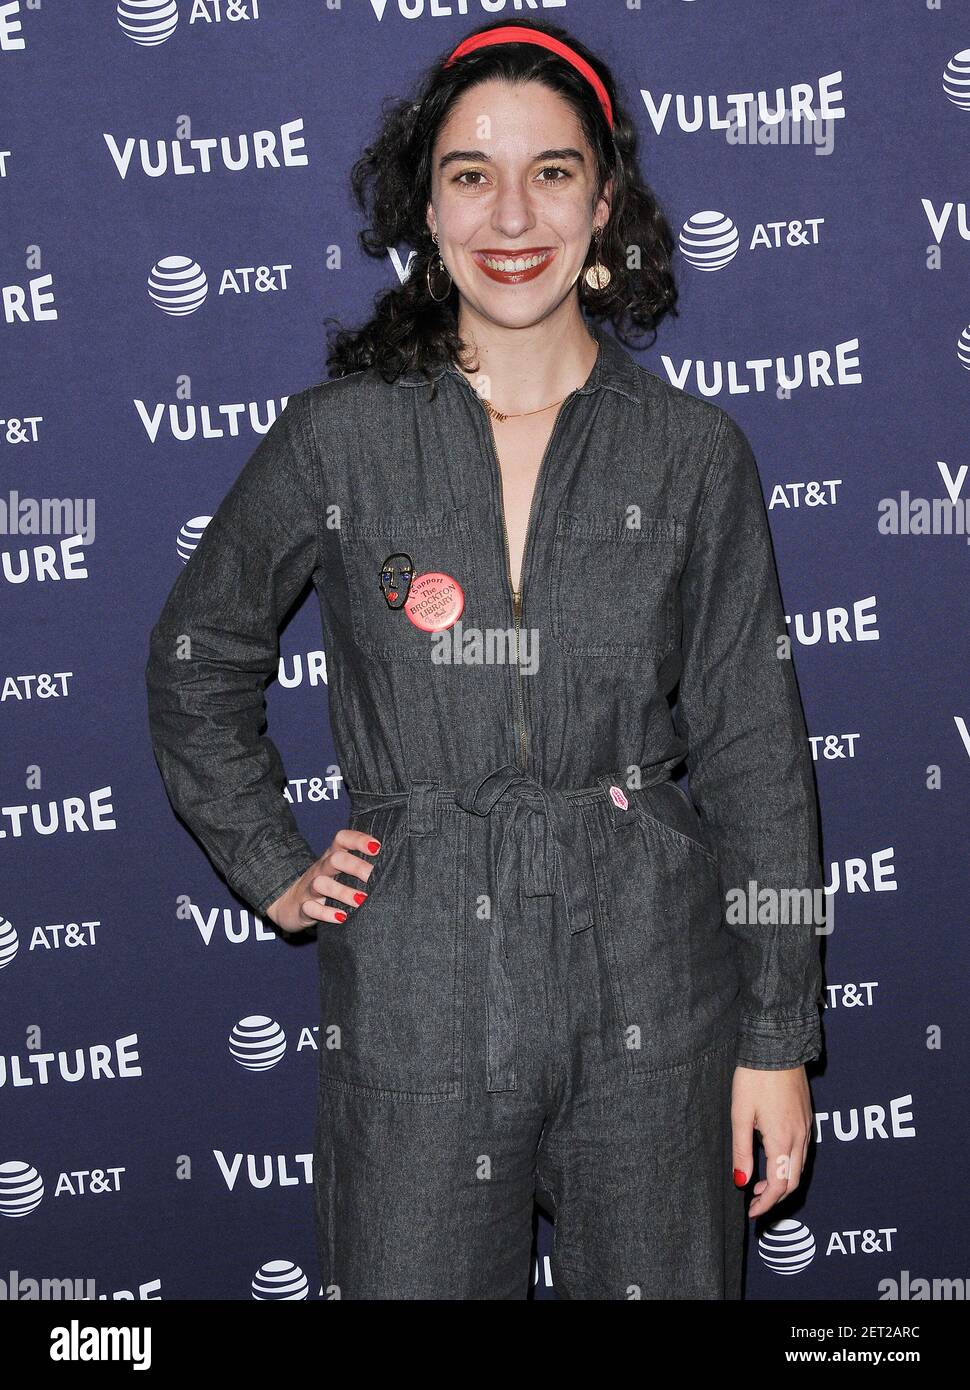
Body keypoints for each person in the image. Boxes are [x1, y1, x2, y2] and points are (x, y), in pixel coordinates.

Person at [145, 18, 826, 1300]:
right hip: (416, 985)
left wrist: (775, 1034)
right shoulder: (338, 441)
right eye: (470, 173)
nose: (511, 212)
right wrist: (274, 864)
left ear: (604, 199)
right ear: (426, 205)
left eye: (552, 170)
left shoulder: (691, 453)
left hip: (657, 986)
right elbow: (198, 656)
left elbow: (755, 750)